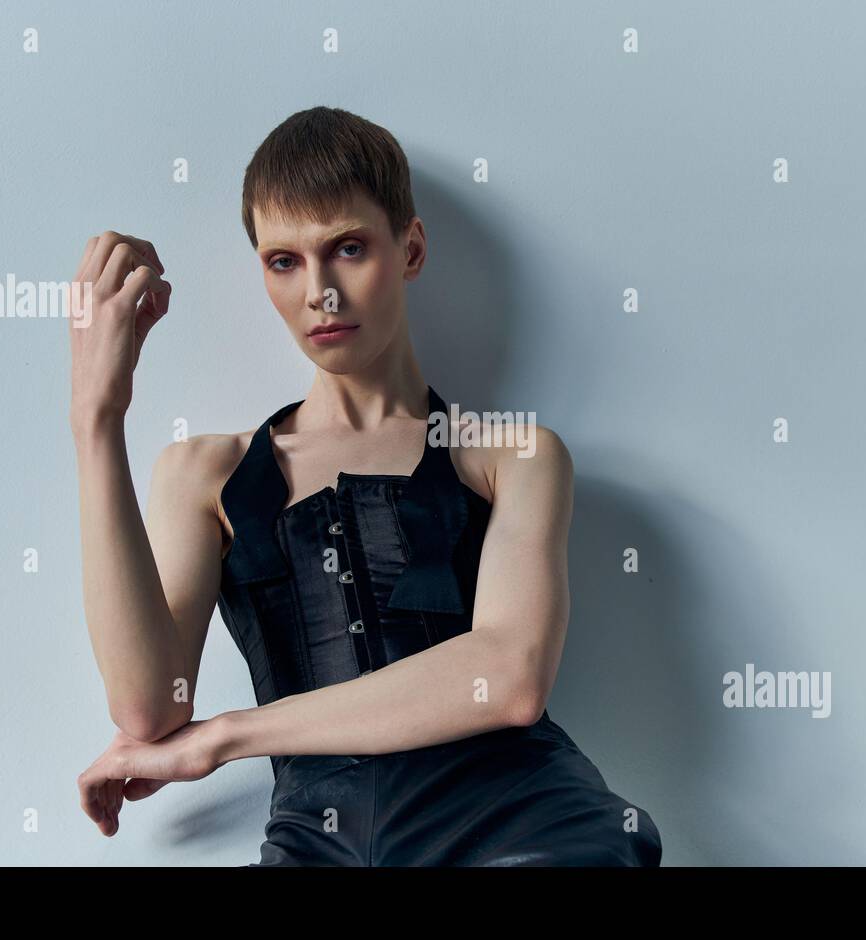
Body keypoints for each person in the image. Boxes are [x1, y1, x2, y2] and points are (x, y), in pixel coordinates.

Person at [69, 106, 663, 866]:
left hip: (517, 825)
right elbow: (149, 709)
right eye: (284, 260)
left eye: (347, 248)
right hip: (317, 847)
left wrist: (224, 737)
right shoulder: (204, 474)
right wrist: (97, 416)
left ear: (409, 249)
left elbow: (510, 677)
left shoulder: (512, 454)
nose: (320, 291)